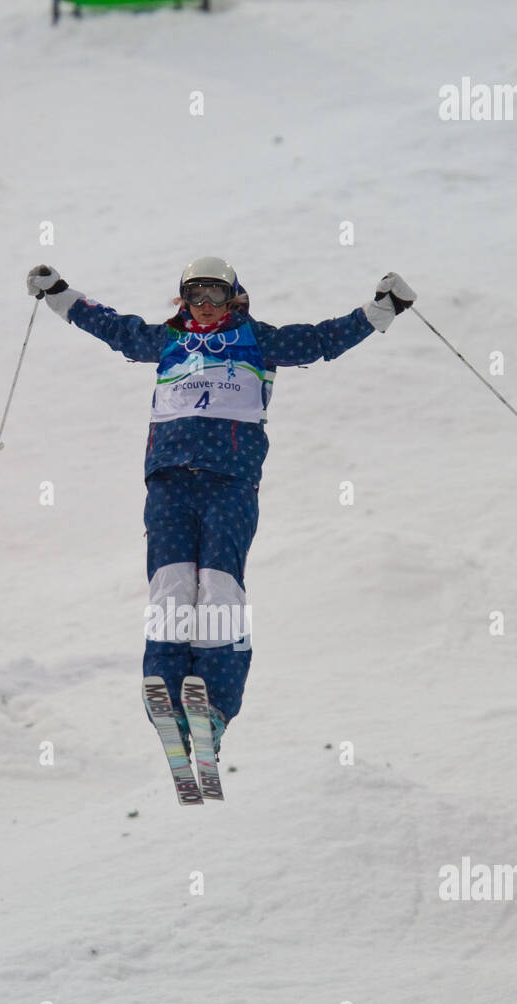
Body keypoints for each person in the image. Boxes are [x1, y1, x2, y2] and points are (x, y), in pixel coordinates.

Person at [26, 257, 416, 756]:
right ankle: (166, 698)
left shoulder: (260, 340)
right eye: (195, 296)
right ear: (182, 299)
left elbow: (323, 340)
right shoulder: (166, 341)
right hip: (168, 481)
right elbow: (111, 327)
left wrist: (383, 308)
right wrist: (57, 292)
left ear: (234, 297)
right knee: (171, 588)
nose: (205, 306)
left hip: (229, 481)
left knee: (217, 589)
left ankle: (214, 704)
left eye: (215, 295)